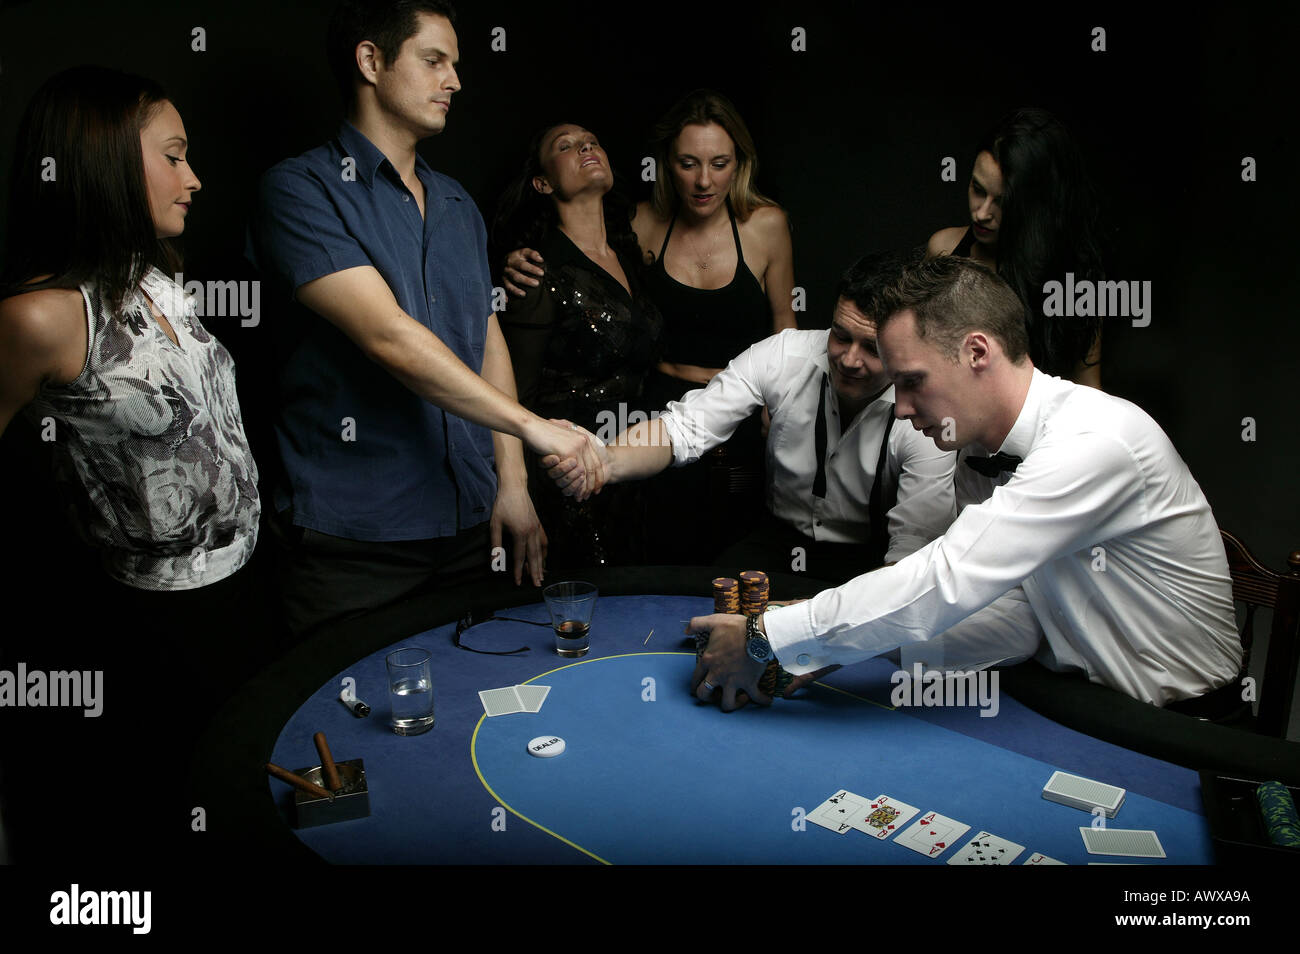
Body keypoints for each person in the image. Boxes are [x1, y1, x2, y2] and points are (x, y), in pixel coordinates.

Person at [687, 257, 1241, 713]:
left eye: (912, 382)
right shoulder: (977, 447)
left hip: (1188, 725)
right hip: (1077, 705)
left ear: (977, 352)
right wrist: (816, 653)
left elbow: (947, 577)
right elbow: (1011, 613)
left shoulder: (1097, 441)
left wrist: (769, 635)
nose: (900, 408)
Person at [247, 0, 598, 637]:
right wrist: (537, 429)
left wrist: (512, 483)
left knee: (473, 710)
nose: (455, 81)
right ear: (371, 61)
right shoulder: (299, 189)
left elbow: (484, 334)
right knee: (348, 725)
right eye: (434, 60)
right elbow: (388, 336)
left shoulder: (459, 203)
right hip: (356, 540)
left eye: (456, 65)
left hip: (471, 523)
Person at [0, 66, 263, 859]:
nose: (196, 178)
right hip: (150, 634)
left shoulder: (157, 276)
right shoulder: (39, 317)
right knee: (153, 824)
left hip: (245, 595)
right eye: (174, 156)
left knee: (243, 805)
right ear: (106, 164)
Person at [543, 249, 957, 583]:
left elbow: (912, 558)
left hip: (871, 560)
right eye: (841, 336)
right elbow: (683, 428)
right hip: (778, 542)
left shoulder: (928, 414)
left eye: (872, 347)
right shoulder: (783, 355)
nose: (849, 359)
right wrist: (605, 460)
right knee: (708, 607)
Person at [504, 90, 796, 561]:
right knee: (659, 550)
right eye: (687, 163)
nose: (704, 181)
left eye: (719, 164)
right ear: (666, 164)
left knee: (733, 551)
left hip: (739, 414)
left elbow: (785, 327)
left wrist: (781, 406)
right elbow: (582, 259)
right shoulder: (640, 224)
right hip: (655, 412)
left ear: (739, 164)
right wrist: (514, 262)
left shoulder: (767, 224)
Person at [492, 123, 663, 568]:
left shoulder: (629, 255)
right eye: (565, 147)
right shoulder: (536, 270)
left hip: (632, 467)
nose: (586, 147)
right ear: (543, 183)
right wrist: (518, 491)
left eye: (592, 140)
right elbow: (514, 397)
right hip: (569, 480)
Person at [927, 107, 1105, 388]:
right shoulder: (944, 250)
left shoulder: (1074, 280)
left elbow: (1088, 392)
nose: (982, 213)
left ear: (1036, 208)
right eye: (977, 189)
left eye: (1002, 202)